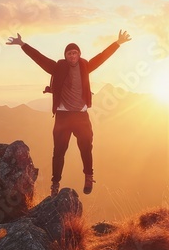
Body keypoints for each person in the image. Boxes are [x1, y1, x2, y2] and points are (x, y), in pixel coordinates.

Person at [8, 29, 132, 196]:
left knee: (86, 147)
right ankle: (55, 184)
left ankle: (89, 177)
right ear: (65, 56)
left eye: (74, 53)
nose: (72, 56)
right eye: (69, 54)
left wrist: (117, 43)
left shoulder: (85, 66)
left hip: (81, 115)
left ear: (79, 54)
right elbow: (39, 58)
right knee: (59, 151)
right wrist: (22, 44)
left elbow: (102, 57)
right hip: (63, 116)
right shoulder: (57, 67)